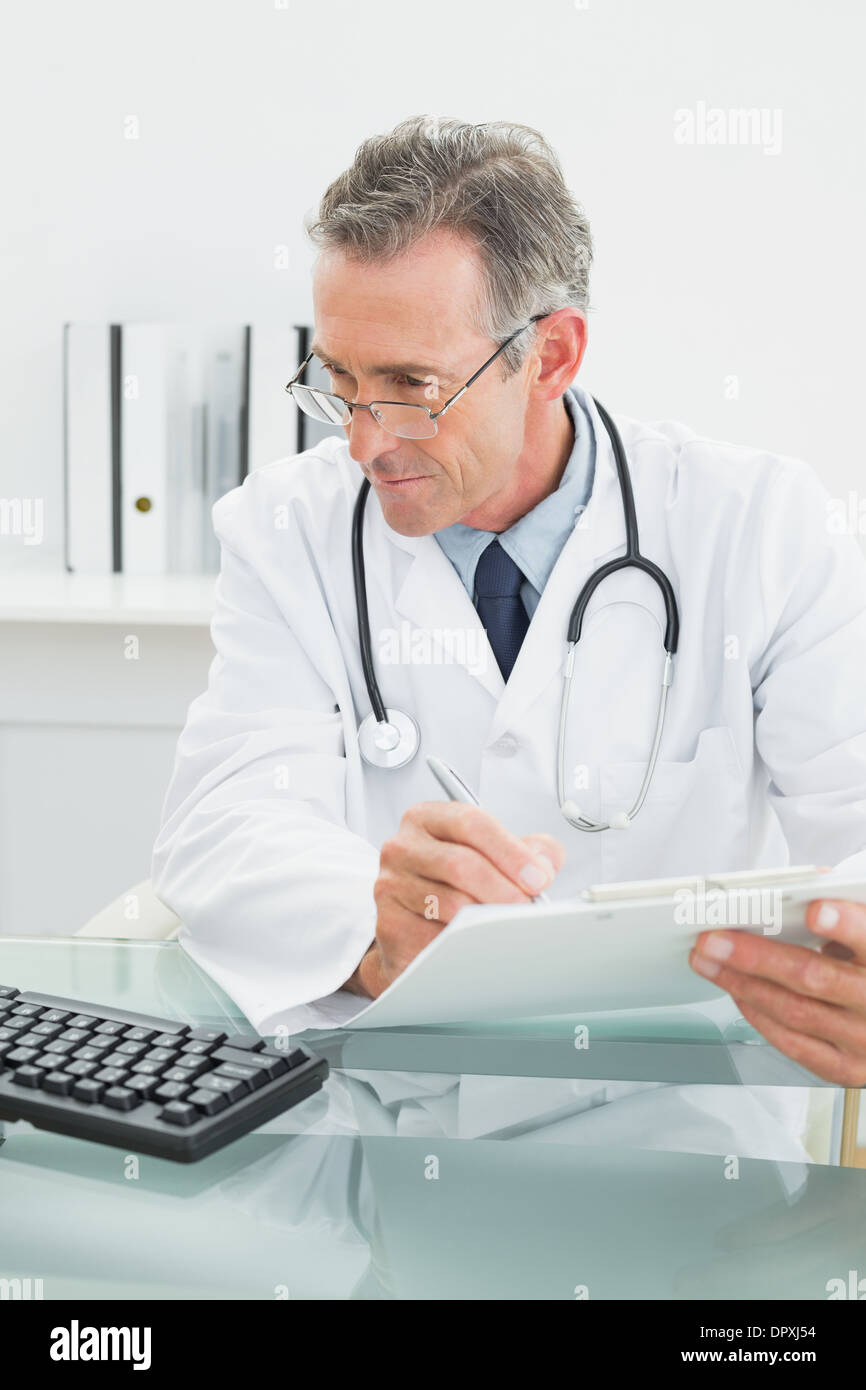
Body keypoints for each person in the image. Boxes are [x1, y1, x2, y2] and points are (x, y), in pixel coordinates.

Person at [152, 117, 866, 1132]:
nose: (362, 442)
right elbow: (225, 823)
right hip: (382, 1137)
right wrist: (374, 921)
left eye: (409, 389)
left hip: (682, 1139)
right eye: (339, 384)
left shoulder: (754, 527)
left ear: (551, 353)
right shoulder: (286, 530)